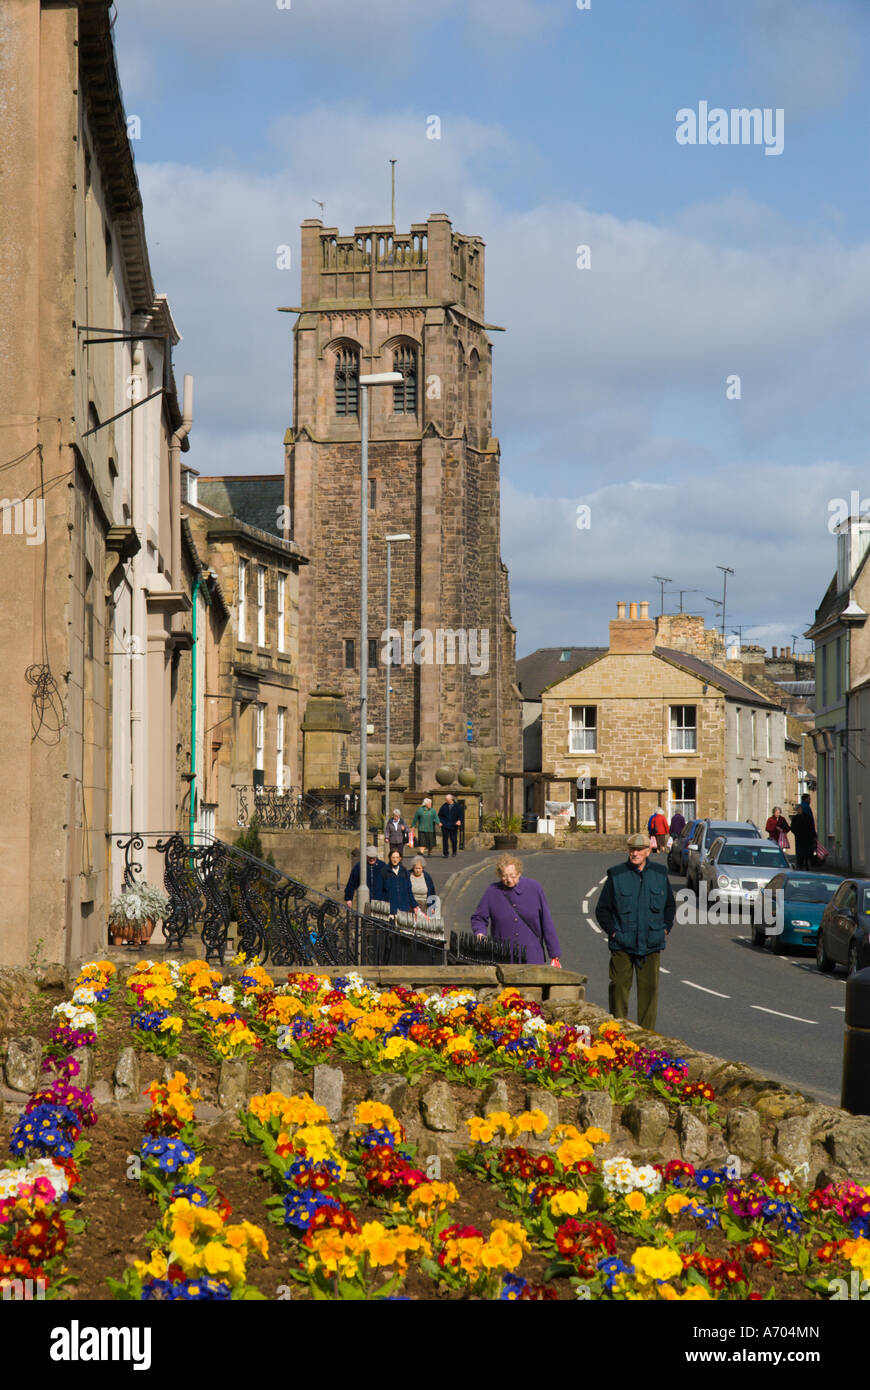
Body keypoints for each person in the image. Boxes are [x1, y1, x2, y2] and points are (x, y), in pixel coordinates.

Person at [595, 832, 676, 1031]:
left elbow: (669, 907)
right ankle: (618, 1033)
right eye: (632, 849)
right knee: (619, 989)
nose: (635, 853)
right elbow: (602, 910)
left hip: (651, 943)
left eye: (639, 849)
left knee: (649, 992)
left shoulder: (659, 873)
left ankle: (647, 1036)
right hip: (622, 943)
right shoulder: (616, 874)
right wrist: (614, 933)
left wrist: (664, 930)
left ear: (648, 851)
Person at [471, 853, 562, 966]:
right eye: (504, 876)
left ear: (519, 873)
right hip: (503, 957)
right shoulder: (492, 891)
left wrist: (554, 955)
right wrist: (480, 932)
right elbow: (478, 917)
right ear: (499, 875)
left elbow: (546, 922)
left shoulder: (534, 888)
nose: (508, 880)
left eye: (512, 875)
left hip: (532, 956)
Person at [382, 846, 415, 915]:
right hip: (389, 910)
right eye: (393, 857)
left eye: (397, 857)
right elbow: (380, 891)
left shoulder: (405, 872)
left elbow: (409, 891)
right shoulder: (384, 871)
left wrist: (414, 905)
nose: (395, 860)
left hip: (404, 909)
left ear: (400, 858)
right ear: (390, 858)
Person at [791, 795, 816, 871]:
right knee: (805, 851)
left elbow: (810, 825)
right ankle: (803, 864)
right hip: (804, 837)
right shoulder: (804, 813)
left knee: (802, 851)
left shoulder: (801, 818)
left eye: (799, 809)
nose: (799, 811)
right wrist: (813, 834)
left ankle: (801, 864)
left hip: (803, 837)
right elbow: (793, 827)